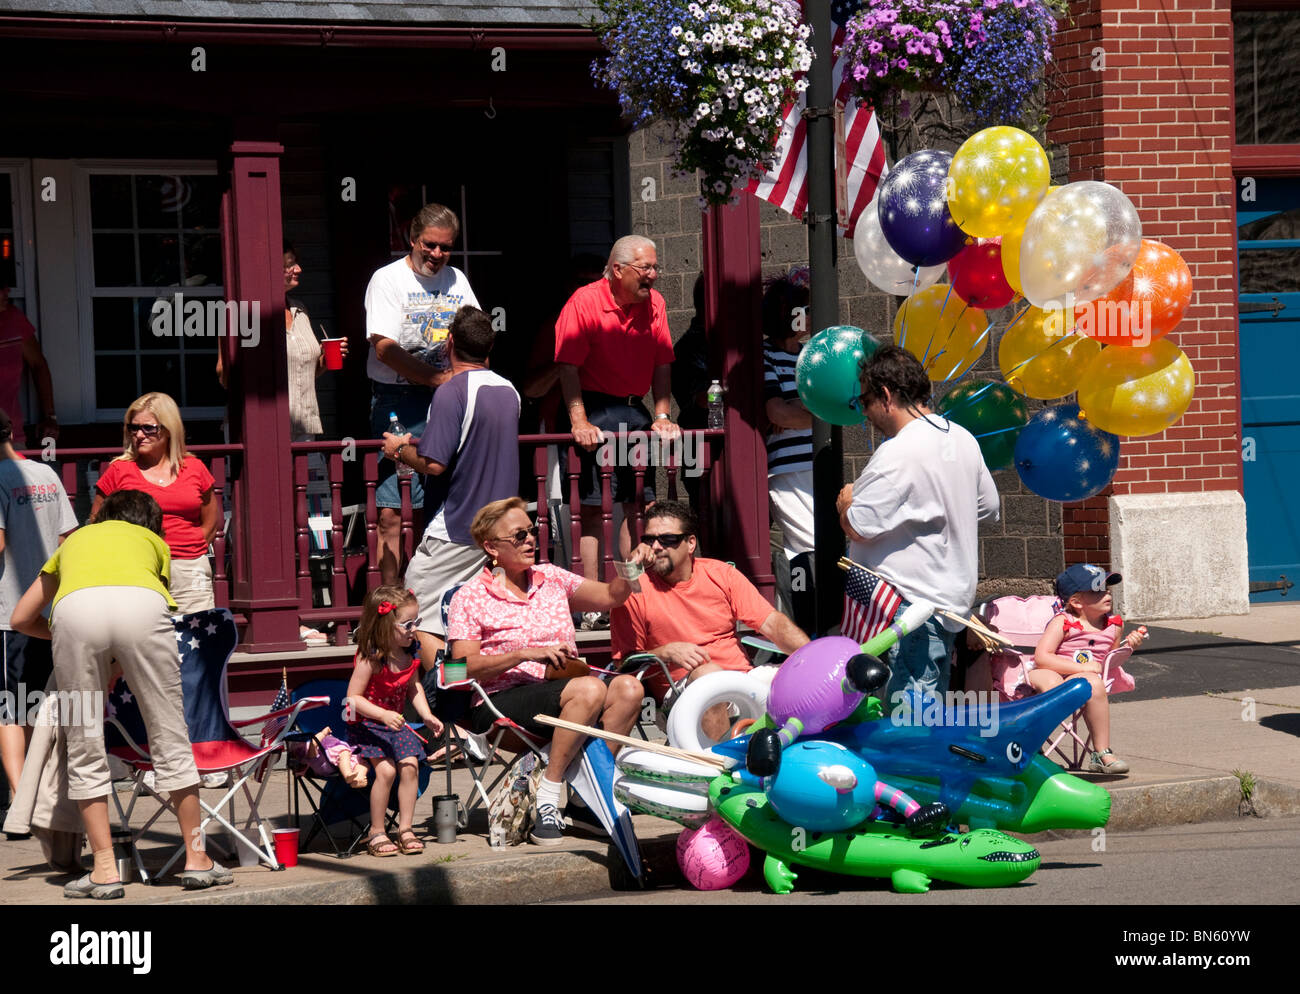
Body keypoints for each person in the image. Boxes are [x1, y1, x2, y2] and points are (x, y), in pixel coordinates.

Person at [10, 490, 232, 897]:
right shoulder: (153, 542)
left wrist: (60, 634)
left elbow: (21, 618)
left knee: (84, 745)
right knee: (170, 737)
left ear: (103, 515)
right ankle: (197, 859)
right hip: (143, 607)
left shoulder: (72, 542)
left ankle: (105, 870)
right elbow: (133, 608)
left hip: (74, 613)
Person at [446, 497, 646, 845]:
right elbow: (455, 670)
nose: (529, 540)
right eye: (518, 535)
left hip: (563, 691)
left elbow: (612, 596)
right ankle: (549, 797)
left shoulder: (549, 578)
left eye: (531, 531)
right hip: (500, 703)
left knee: (629, 688)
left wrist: (630, 567)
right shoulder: (470, 596)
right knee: (590, 689)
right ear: (491, 546)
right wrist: (523, 654)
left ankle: (584, 803)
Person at [836, 345, 1001, 706]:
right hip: (946, 599)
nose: (864, 413)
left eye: (863, 401)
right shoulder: (961, 437)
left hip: (907, 604)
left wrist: (846, 502)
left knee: (910, 715)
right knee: (923, 703)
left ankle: (907, 764)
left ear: (884, 395)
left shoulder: (899, 452)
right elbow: (988, 507)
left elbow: (860, 526)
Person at [217, 242, 348, 643]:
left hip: (305, 434)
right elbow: (225, 375)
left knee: (311, 526)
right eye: (289, 266)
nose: (298, 271)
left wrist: (329, 359)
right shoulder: (244, 316)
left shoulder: (303, 311)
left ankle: (309, 612)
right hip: (259, 437)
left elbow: (305, 374)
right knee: (262, 525)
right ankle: (267, 616)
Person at [382, 305, 519, 666]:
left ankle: (447, 698)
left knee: (413, 615)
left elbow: (434, 464)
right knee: (472, 618)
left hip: (458, 526)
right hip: (501, 527)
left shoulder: (452, 391)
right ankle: (469, 695)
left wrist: (400, 449)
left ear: (450, 343)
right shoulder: (509, 390)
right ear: (489, 348)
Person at [554, 235, 679, 626]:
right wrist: (578, 420)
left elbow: (662, 363)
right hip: (593, 407)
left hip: (633, 410)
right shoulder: (584, 301)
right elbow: (567, 367)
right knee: (592, 509)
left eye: (655, 268)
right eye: (645, 269)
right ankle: (593, 604)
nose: (653, 276)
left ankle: (633, 595)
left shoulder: (654, 303)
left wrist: (661, 415)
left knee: (636, 507)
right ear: (619, 269)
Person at [611, 499, 809, 737]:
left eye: (667, 539)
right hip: (683, 694)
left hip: (742, 681)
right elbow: (624, 664)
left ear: (690, 543)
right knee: (709, 675)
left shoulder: (720, 574)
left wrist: (812, 657)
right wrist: (666, 651)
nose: (656, 546)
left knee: (804, 677)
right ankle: (720, 766)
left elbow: (772, 623)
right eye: (649, 540)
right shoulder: (634, 590)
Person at [365, 203, 479, 584]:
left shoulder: (456, 280)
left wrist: (471, 381)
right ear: (412, 240)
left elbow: (473, 335)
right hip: (397, 397)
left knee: (448, 498)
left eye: (445, 248)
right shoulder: (388, 279)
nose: (437, 255)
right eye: (429, 245)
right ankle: (392, 600)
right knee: (392, 508)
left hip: (447, 398)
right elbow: (384, 347)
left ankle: (442, 591)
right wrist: (435, 378)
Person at [0, 407, 77, 797]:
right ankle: (40, 790)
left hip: (9, 611)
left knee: (9, 710)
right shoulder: (46, 473)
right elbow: (68, 539)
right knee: (38, 702)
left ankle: (20, 797)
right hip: (50, 610)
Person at [91, 392, 219, 615]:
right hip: (137, 568)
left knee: (194, 639)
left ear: (169, 430)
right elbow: (96, 522)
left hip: (188, 568)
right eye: (134, 428)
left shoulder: (195, 468)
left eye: (149, 428)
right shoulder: (119, 470)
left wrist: (194, 545)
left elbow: (210, 519)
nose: (139, 435)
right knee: (142, 641)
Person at [343, 585, 444, 857]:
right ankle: (377, 830)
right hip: (367, 726)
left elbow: (414, 688)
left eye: (417, 622)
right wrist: (382, 714)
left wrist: (426, 714)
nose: (414, 630)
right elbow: (352, 698)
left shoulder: (411, 653)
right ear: (386, 626)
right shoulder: (371, 658)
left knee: (410, 765)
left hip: (394, 724)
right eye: (408, 624)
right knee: (386, 771)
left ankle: (406, 828)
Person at [1033, 565, 1147, 775]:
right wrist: (1081, 667)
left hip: (1083, 678)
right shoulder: (1064, 622)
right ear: (1076, 602)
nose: (1107, 594)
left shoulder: (1113, 626)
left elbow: (1108, 662)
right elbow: (1042, 657)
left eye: (1106, 588)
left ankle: (1102, 753)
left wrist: (1129, 647)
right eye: (1097, 590)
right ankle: (1034, 751)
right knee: (1052, 682)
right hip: (1050, 670)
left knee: (1093, 682)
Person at [761, 268, 815, 635]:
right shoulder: (764, 356)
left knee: (824, 544)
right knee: (807, 545)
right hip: (786, 469)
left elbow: (838, 405)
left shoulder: (813, 356)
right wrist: (813, 412)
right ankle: (805, 624)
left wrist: (800, 413)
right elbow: (776, 412)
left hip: (816, 462)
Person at [0, 264, 58, 449]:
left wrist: (49, 416)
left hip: (10, 435)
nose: (7, 291)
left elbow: (38, 364)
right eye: (0, 287)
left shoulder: (14, 318)